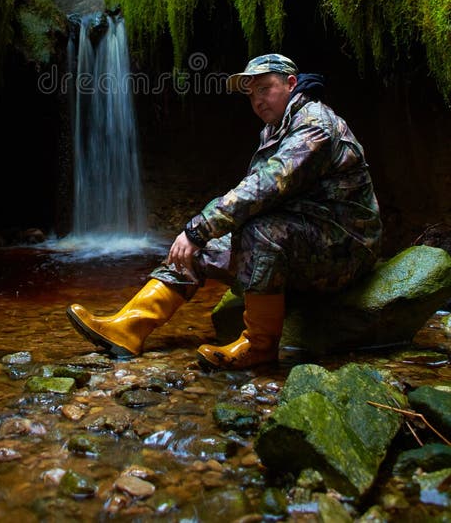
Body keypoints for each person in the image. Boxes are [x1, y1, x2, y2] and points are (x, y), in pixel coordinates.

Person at [67, 53, 382, 370]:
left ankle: (259, 346)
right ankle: (129, 327)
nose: (258, 101)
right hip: (305, 238)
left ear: (290, 83)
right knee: (200, 249)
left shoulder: (315, 125)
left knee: (259, 232)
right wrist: (201, 237)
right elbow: (255, 197)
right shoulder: (275, 128)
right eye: (252, 94)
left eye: (265, 89)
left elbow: (267, 185)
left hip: (346, 247)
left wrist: (198, 228)